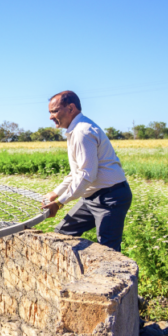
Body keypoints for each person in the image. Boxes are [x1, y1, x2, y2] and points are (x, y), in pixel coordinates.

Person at [41, 91, 132, 252]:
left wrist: (60, 203)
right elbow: (77, 172)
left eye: (54, 111)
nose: (50, 117)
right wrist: (55, 193)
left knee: (108, 250)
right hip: (92, 196)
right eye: (50, 112)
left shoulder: (82, 132)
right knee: (63, 232)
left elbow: (86, 175)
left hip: (111, 198)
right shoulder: (75, 130)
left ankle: (108, 276)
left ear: (71, 108)